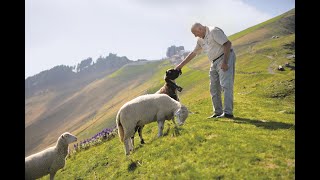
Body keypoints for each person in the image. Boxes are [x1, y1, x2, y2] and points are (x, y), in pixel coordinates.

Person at [175, 23, 236, 118]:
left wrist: (225, 62)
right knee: (213, 87)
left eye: (195, 33)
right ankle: (218, 112)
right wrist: (180, 66)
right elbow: (194, 53)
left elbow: (227, 44)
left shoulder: (214, 31)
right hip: (214, 62)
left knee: (225, 85)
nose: (195, 36)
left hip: (224, 58)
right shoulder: (200, 40)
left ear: (200, 28)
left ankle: (228, 113)